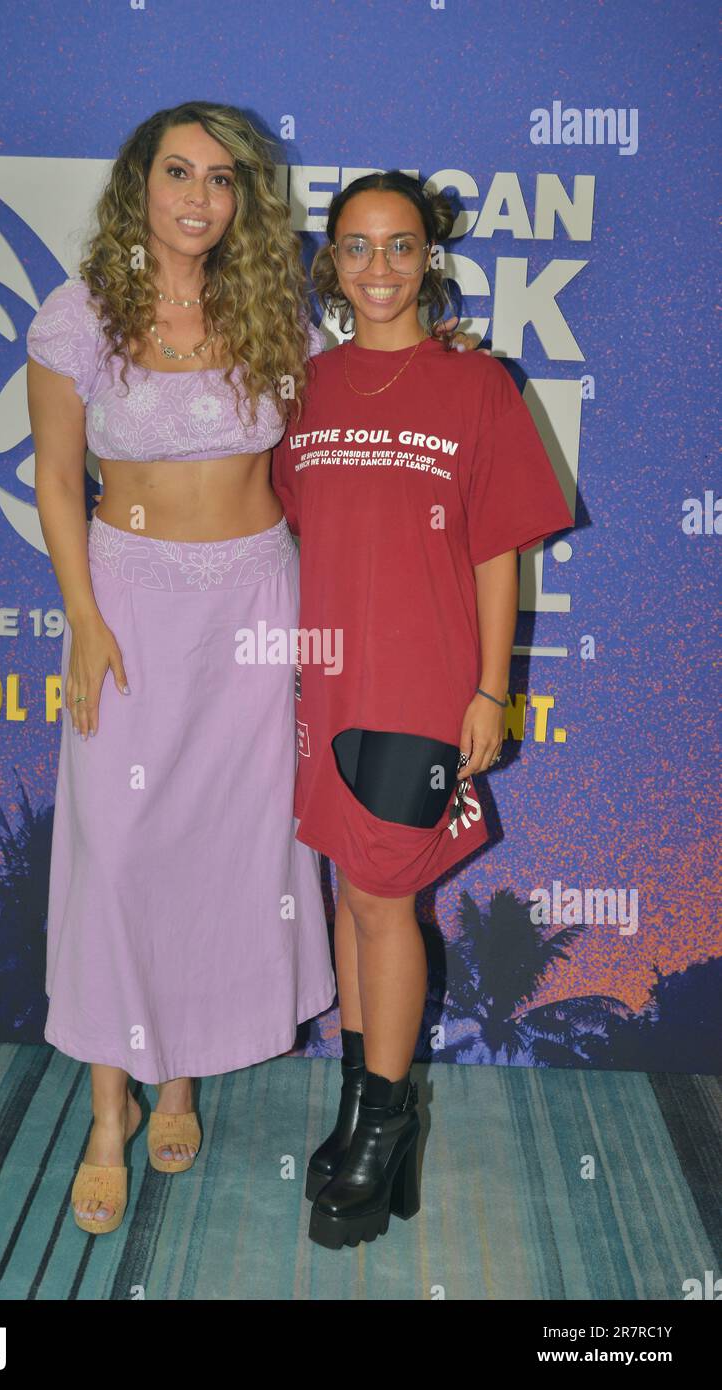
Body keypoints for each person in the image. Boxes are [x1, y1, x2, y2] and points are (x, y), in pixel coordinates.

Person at [25, 102, 339, 1234]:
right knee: (117, 852)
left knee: (221, 853)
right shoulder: (77, 319)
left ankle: (180, 1079)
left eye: (219, 179)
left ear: (241, 201)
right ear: (138, 185)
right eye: (177, 172)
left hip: (258, 603)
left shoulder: (273, 311)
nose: (198, 196)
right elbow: (60, 481)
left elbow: (341, 433)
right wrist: (82, 613)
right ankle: (107, 1115)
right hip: (130, 605)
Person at [271, 170, 574, 1250]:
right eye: (357, 247)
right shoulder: (305, 387)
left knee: (382, 899)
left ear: (428, 258)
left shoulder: (477, 384)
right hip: (332, 683)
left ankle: (381, 1126)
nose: (380, 269)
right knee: (356, 898)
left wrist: (491, 688)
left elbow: (501, 548)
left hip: (425, 685)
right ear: (332, 263)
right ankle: (364, 1111)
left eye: (401, 247)